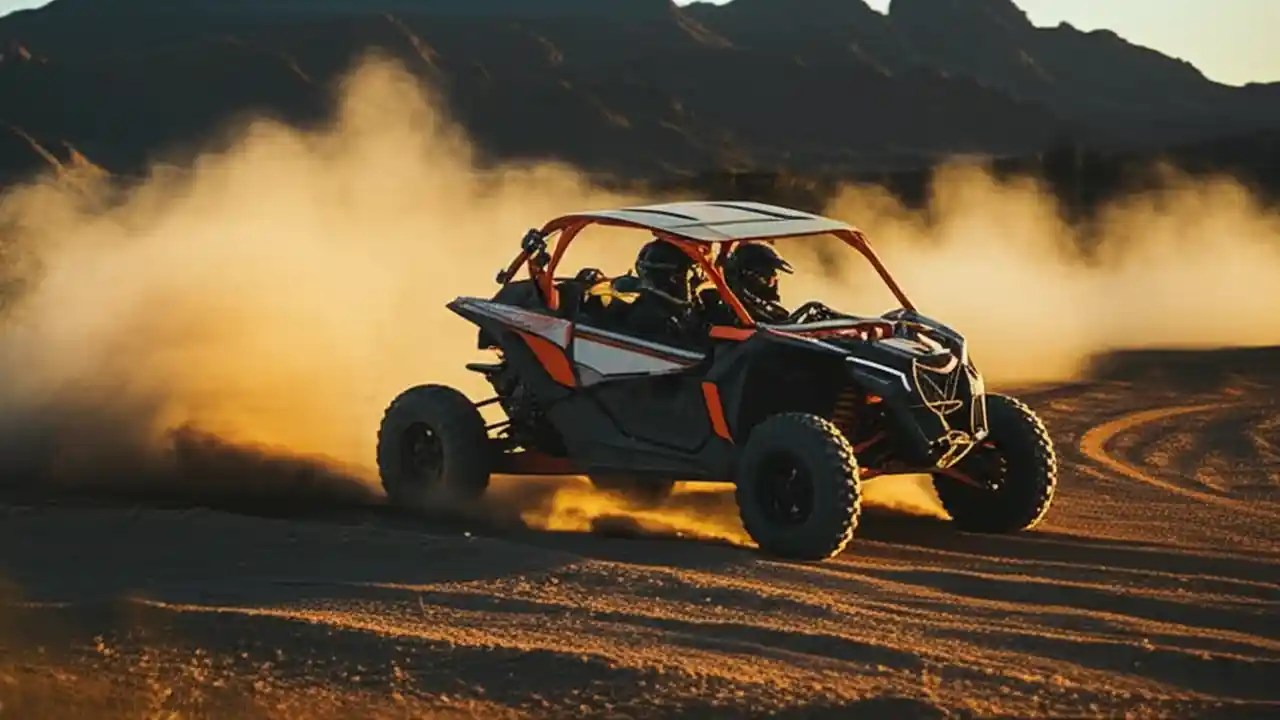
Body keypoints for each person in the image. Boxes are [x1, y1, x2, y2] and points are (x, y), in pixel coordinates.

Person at [715, 241, 794, 324]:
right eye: (770, 274)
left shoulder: (766, 310)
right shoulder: (739, 315)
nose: (774, 281)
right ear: (751, 276)